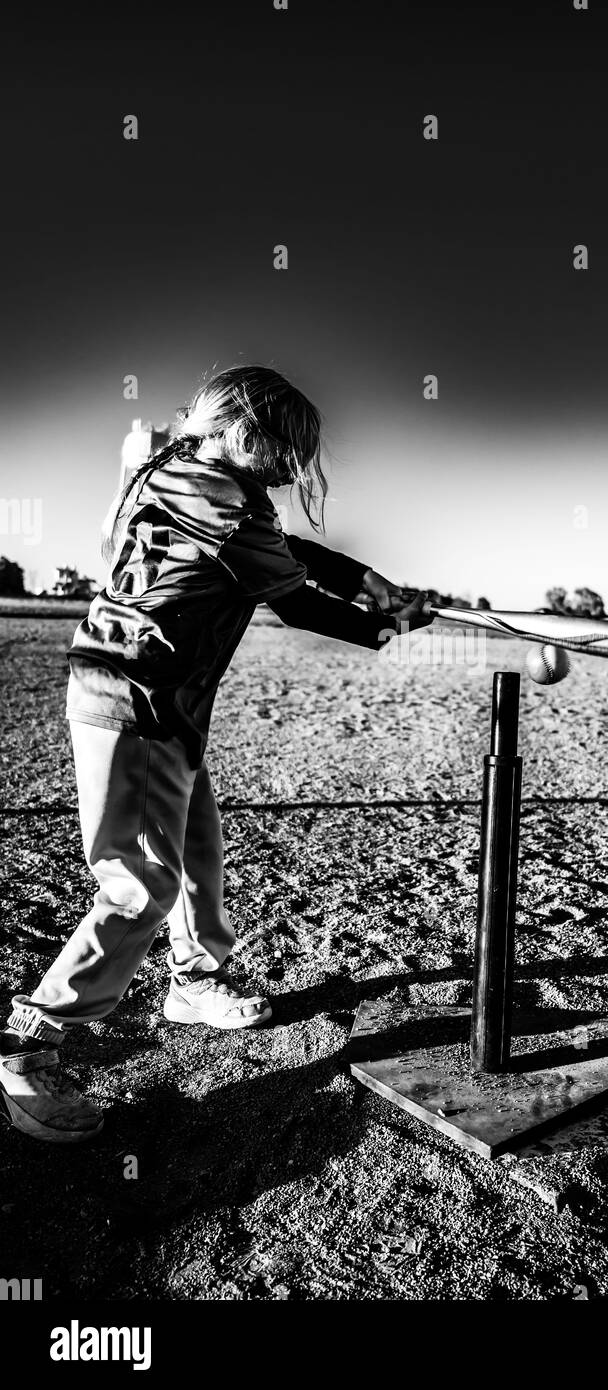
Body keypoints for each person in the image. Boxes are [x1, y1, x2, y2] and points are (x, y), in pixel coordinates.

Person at [0, 365, 430, 1143]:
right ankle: (30, 1041)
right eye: (284, 449)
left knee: (197, 851)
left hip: (167, 704)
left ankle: (196, 983)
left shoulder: (177, 466)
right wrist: (388, 626)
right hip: (130, 699)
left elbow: (289, 548)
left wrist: (370, 581)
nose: (294, 468)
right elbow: (294, 601)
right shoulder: (219, 500)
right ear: (237, 433)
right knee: (139, 885)